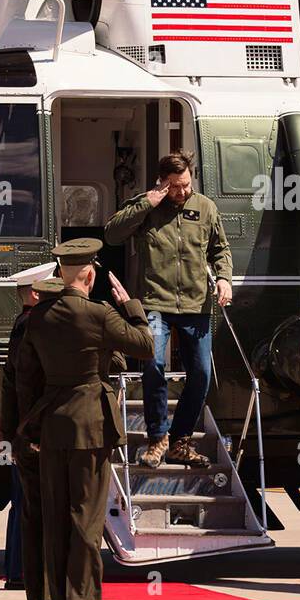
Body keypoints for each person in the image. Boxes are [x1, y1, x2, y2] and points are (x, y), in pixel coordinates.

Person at [15, 238, 154, 600]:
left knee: (55, 512)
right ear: (90, 274)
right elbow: (145, 346)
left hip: (53, 423)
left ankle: (56, 598)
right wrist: (130, 306)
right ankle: (82, 598)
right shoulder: (98, 314)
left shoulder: (40, 317)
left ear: (62, 275)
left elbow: (29, 374)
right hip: (91, 424)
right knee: (86, 514)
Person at [103, 151, 233, 469]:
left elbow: (220, 248)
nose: (182, 192)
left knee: (201, 373)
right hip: (155, 303)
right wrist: (147, 203)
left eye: (186, 184)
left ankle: (180, 440)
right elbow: (112, 234)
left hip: (196, 304)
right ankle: (157, 437)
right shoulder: (146, 206)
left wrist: (225, 279)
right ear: (162, 183)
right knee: (153, 366)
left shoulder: (206, 207)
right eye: (174, 186)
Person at [0, 262, 58, 600]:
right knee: (29, 503)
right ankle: (20, 571)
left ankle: (17, 569)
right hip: (30, 429)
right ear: (36, 293)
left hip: (21, 428)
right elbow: (21, 385)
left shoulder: (23, 324)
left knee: (23, 502)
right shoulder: (30, 326)